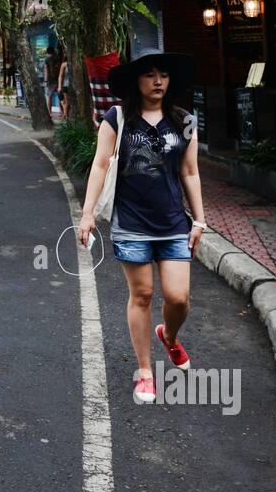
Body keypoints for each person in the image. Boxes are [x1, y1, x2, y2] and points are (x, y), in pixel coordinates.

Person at [76, 49, 206, 405]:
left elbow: (190, 172)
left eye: (163, 74)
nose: (158, 81)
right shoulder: (117, 119)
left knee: (179, 298)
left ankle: (171, 336)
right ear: (137, 80)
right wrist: (87, 214)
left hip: (173, 223)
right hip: (131, 223)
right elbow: (100, 166)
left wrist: (200, 220)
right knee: (143, 294)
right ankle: (145, 371)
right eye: (150, 74)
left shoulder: (185, 121)